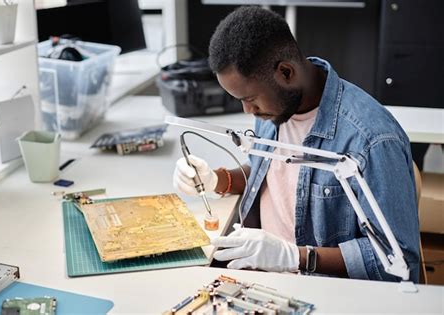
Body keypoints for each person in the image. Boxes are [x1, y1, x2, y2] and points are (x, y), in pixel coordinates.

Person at [173, 6, 420, 283]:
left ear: (286, 72)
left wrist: (294, 256)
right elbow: (274, 175)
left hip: (321, 288)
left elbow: (399, 261)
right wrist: (216, 179)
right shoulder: (275, 107)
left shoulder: (371, 140)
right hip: (262, 276)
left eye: (250, 98)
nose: (247, 110)